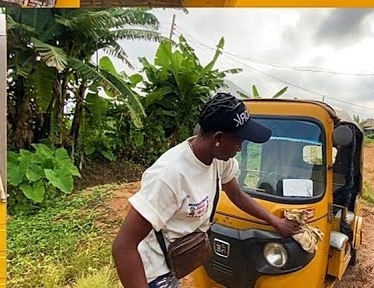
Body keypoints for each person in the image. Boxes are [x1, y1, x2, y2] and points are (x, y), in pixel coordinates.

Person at [112, 93, 300, 288]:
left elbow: (236, 194)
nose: (241, 148)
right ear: (218, 138)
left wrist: (274, 221)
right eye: (239, 140)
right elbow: (123, 247)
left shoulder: (218, 160)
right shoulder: (170, 176)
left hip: (173, 265)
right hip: (152, 274)